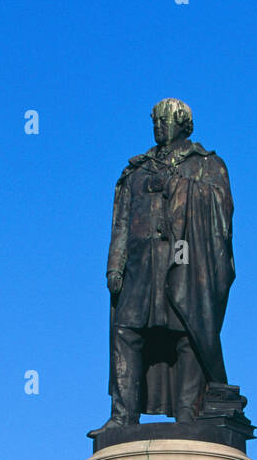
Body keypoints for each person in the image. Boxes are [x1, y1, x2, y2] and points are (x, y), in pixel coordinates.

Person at [99, 98, 235, 427]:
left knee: (186, 331)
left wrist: (179, 188)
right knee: (126, 331)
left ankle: (188, 411)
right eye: (155, 120)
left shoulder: (206, 163)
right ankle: (122, 416)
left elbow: (222, 210)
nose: (159, 126)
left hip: (183, 259)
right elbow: (121, 221)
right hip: (140, 267)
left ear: (182, 124)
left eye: (166, 120)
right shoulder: (136, 169)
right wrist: (115, 264)